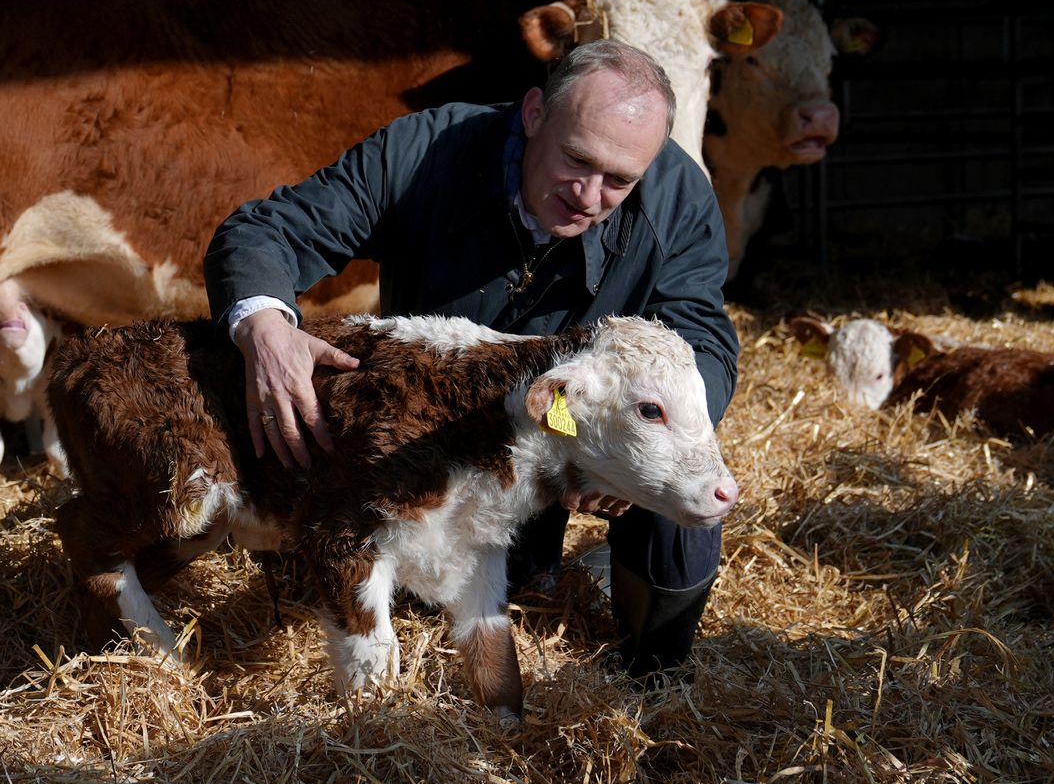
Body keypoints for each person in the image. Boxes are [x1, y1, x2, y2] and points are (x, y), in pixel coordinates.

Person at [204, 39, 739, 675]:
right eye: (576, 159)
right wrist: (263, 326)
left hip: (578, 427)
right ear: (535, 113)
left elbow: (703, 338)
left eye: (620, 180)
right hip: (437, 447)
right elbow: (268, 231)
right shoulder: (426, 153)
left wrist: (626, 433)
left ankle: (652, 673)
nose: (591, 195)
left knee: (688, 501)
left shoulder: (677, 202)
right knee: (408, 575)